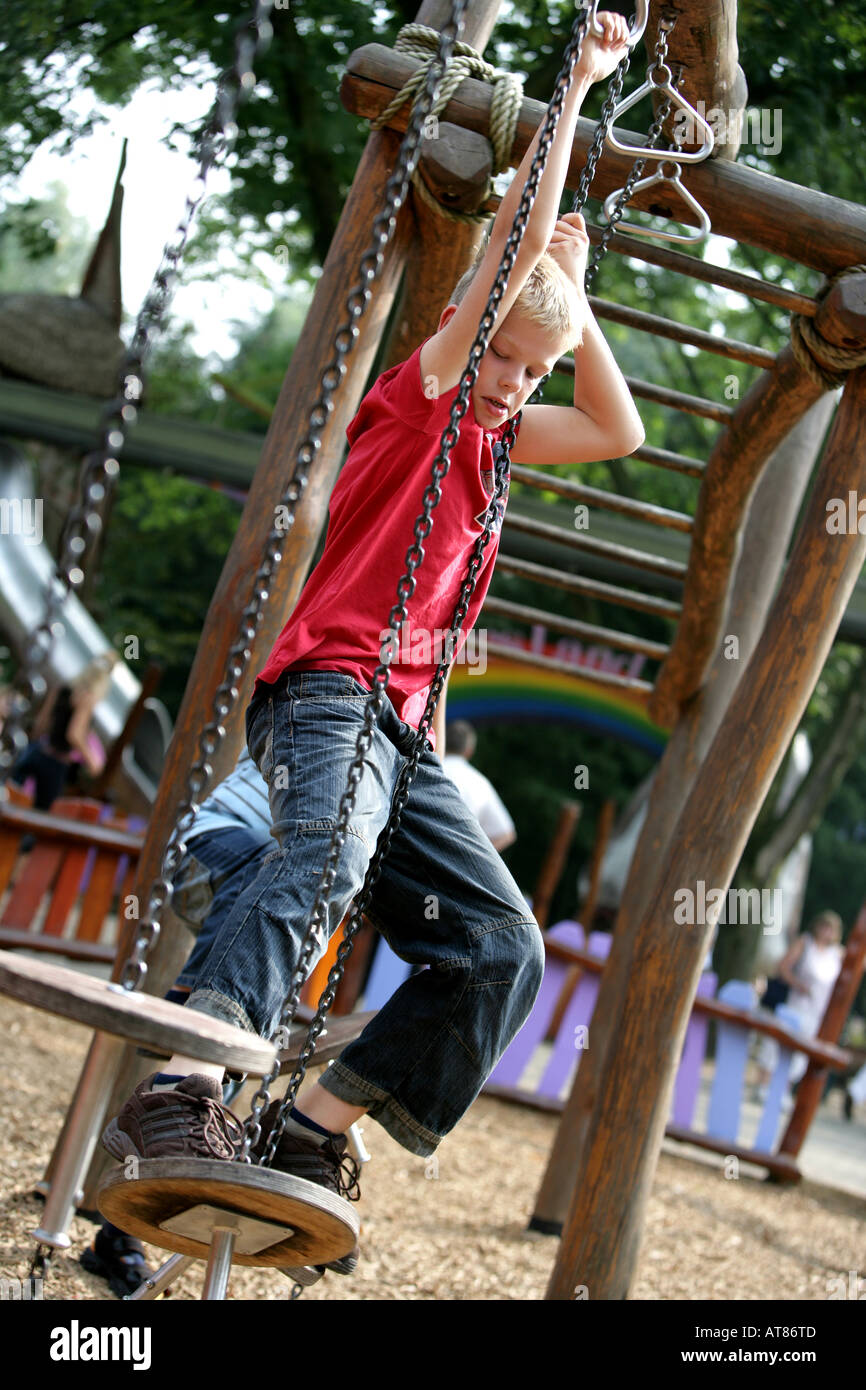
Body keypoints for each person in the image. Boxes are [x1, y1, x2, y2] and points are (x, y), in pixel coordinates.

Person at [101, 13, 642, 1274]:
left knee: (497, 946)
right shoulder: (425, 395)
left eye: (529, 372)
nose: (511, 386)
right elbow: (506, 250)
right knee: (317, 857)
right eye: (502, 354)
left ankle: (305, 1125)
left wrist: (573, 299)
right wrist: (570, 95)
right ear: (470, 328)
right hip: (329, 693)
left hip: (402, 733)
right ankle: (184, 1083)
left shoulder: (508, 433)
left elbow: (611, 430)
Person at [82, 749, 273, 1297]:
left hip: (278, 891)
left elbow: (430, 757)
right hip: (218, 841)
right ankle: (195, 1013)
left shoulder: (419, 691)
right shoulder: (334, 676)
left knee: (240, 1039)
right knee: (266, 871)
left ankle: (118, 1235)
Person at [7, 652, 117, 809]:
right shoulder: (86, 698)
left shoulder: (62, 688)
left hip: (39, 753)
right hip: (56, 763)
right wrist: (93, 761)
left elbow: (41, 725)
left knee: (12, 796)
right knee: (41, 814)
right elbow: (74, 734)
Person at [757, 910, 845, 1090]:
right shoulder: (805, 943)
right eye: (824, 927)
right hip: (796, 1002)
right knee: (779, 1042)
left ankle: (784, 1089)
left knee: (802, 1051)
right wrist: (798, 984)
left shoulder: (837, 953)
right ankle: (764, 1084)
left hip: (818, 1008)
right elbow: (782, 966)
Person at [442, 719, 516, 851]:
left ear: (444, 740)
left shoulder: (427, 767)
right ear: (469, 751)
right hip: (455, 859)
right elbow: (506, 834)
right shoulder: (481, 784)